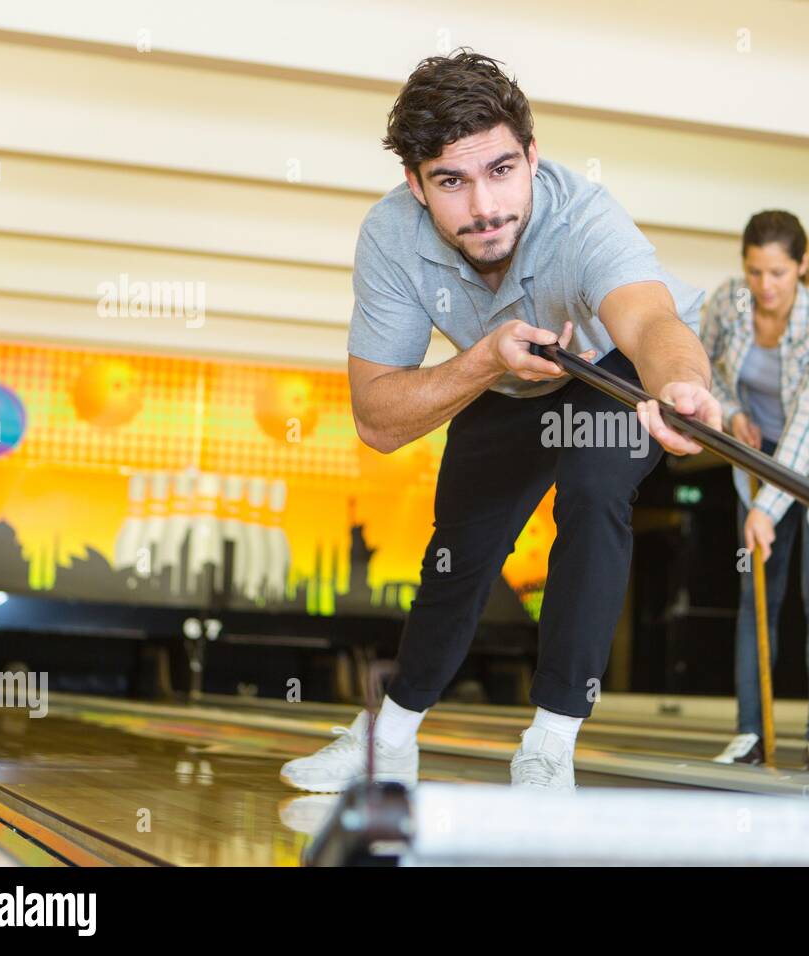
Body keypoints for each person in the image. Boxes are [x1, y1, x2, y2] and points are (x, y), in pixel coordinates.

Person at [280, 50, 720, 793]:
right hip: (506, 369)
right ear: (416, 186)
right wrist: (485, 362)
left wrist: (681, 387)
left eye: (502, 171)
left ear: (532, 157)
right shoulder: (390, 237)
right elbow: (379, 421)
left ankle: (550, 742)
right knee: (461, 551)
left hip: (607, 365)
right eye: (451, 181)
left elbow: (648, 321)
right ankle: (388, 738)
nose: (484, 204)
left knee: (593, 485)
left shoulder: (582, 216)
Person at [702, 211, 809, 774]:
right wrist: (733, 412)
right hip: (756, 459)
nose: (765, 287)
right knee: (757, 601)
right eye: (754, 271)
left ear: (802, 265)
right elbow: (705, 372)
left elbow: (808, 425)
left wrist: (766, 509)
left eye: (777, 273)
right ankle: (749, 732)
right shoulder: (728, 303)